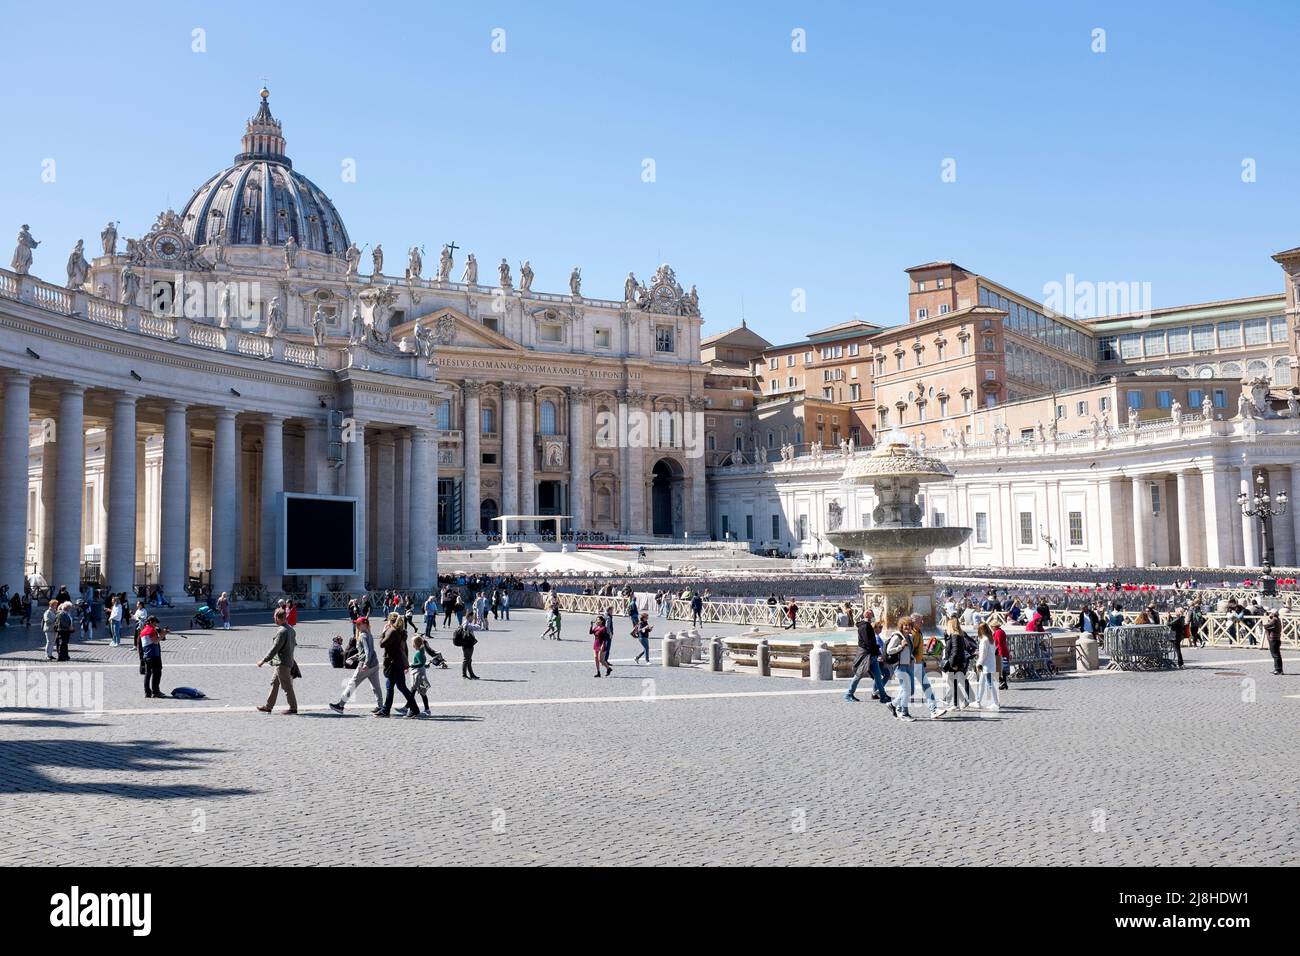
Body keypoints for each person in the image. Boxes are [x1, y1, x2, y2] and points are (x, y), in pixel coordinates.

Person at [329, 616, 384, 714]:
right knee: (376, 686)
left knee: (352, 684)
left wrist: (365, 664)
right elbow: (364, 652)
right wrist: (352, 658)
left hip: (365, 666)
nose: (356, 626)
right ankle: (380, 706)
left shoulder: (363, 636)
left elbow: (368, 651)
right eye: (356, 624)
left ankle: (340, 705)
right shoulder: (369, 634)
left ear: (365, 624)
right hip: (374, 664)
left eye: (358, 624)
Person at [255, 607, 298, 715]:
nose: (274, 619)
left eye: (274, 617)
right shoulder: (291, 629)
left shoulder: (282, 631)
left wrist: (263, 661)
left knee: (287, 686)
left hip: (282, 663)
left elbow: (275, 648)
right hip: (287, 661)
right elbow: (293, 645)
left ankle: (293, 708)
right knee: (274, 683)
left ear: (279, 618)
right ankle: (268, 706)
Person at [377, 612, 420, 717]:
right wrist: (406, 664)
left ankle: (414, 709)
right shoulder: (402, 632)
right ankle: (385, 710)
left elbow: (382, 644)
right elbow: (405, 649)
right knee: (390, 686)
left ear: (390, 621)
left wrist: (383, 632)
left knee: (401, 687)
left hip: (393, 664)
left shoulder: (392, 632)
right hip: (398, 663)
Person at [845, 613, 890, 706]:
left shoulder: (864, 626)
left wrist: (876, 652)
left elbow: (868, 642)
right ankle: (848, 694)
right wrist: (877, 650)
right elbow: (868, 642)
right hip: (867, 656)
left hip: (872, 655)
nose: (873, 617)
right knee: (858, 675)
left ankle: (882, 696)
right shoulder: (865, 627)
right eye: (872, 615)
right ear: (869, 617)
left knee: (877, 677)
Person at [940, 617, 973, 710]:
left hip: (955, 663)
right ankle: (962, 702)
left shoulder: (955, 636)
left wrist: (952, 664)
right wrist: (946, 636)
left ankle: (956, 704)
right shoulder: (958, 635)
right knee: (955, 682)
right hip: (959, 661)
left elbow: (955, 651)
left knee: (952, 683)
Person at [973, 622, 1001, 711]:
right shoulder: (990, 638)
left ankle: (996, 703)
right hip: (990, 663)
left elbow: (983, 654)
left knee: (990, 684)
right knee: (982, 683)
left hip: (986, 665)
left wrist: (978, 663)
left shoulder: (984, 640)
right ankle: (978, 701)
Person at [139, 615, 167, 698]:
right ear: (151, 622)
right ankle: (156, 691)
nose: (156, 624)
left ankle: (147, 692)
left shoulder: (144, 629)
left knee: (148, 674)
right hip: (153, 654)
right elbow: (155, 641)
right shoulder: (150, 630)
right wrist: (163, 634)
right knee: (157, 672)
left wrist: (161, 633)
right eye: (155, 622)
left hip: (147, 654)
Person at [409, 635, 433, 717]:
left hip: (418, 675)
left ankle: (409, 708)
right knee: (422, 693)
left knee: (413, 691)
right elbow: (423, 663)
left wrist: (412, 665)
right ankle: (427, 709)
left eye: (412, 643)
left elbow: (420, 663)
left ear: (415, 644)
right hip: (422, 673)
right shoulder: (422, 651)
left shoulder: (418, 653)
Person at [1265, 610, 1284, 675]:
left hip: (1273, 639)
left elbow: (1266, 626)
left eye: (1270, 613)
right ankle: (1279, 669)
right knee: (1277, 655)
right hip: (1277, 638)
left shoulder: (1274, 620)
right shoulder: (1277, 619)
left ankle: (1278, 669)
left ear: (1273, 613)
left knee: (1275, 655)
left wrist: (1268, 620)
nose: (1269, 614)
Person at [992, 621, 1010, 690]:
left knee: (997, 668)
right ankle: (1004, 683)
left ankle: (1002, 681)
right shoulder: (1000, 631)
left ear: (994, 627)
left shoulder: (998, 632)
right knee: (1003, 669)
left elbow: (998, 643)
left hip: (1000, 651)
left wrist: (999, 652)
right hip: (1002, 650)